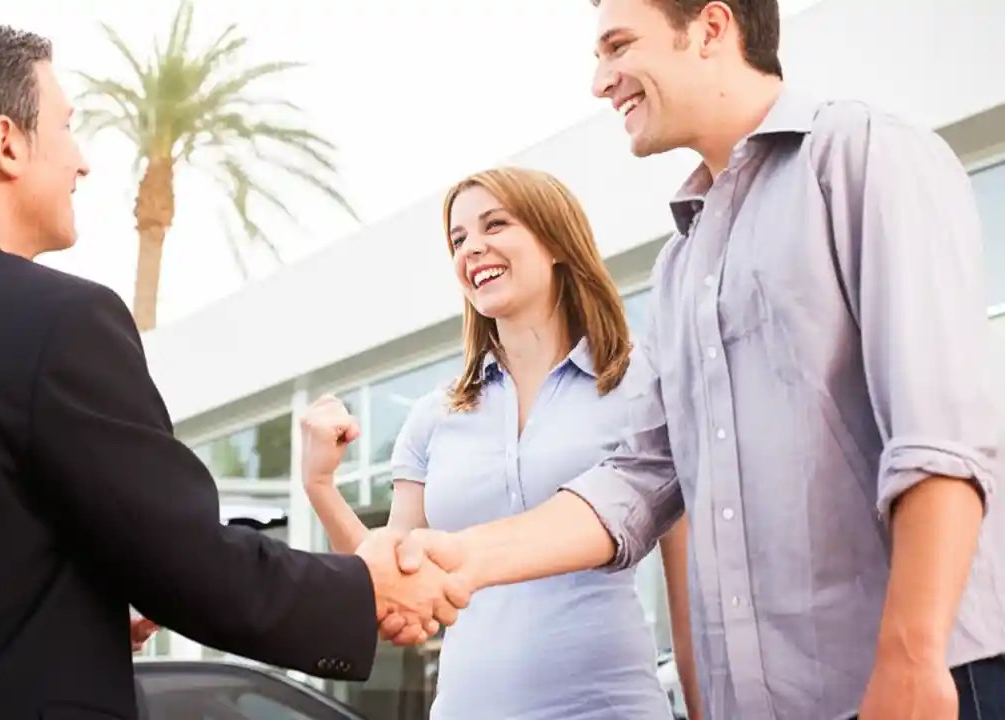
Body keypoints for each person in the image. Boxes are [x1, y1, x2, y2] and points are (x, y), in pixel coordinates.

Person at [0, 21, 466, 720]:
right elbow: (187, 561)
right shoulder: (57, 322)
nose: (83, 162)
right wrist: (365, 590)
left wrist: (78, 615)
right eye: (67, 127)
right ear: (5, 143)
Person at [387, 1, 1005, 719]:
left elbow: (940, 436)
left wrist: (911, 656)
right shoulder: (681, 264)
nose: (601, 81)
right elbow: (639, 477)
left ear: (711, 28)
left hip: (919, 682)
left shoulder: (861, 155)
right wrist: (466, 558)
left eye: (618, 46)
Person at [299, 166, 698, 719]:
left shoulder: (642, 385)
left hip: (609, 707)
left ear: (557, 241)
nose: (472, 248)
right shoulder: (435, 416)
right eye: (458, 239)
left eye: (495, 225)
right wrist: (320, 485)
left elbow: (689, 590)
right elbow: (394, 585)